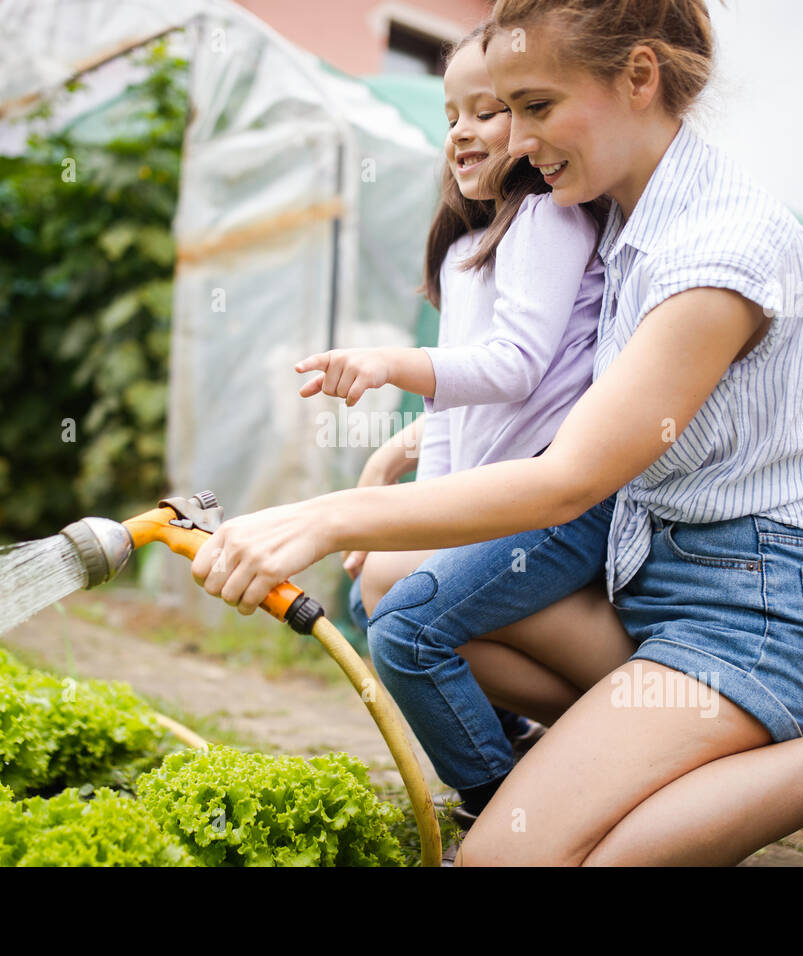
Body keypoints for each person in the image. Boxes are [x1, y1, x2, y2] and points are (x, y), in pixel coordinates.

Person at [189, 0, 803, 866]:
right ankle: (650, 770)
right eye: (504, 110)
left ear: (640, 76)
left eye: (537, 108)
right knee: (398, 596)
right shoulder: (616, 211)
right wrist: (407, 447)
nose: (514, 139)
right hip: (642, 592)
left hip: (754, 620)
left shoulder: (719, 245)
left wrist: (322, 518)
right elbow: (555, 393)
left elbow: (571, 477)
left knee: (515, 861)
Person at [293, 24, 633, 823]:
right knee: (372, 593)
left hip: (560, 505)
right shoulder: (463, 251)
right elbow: (450, 415)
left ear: (532, 126)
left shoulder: (547, 220)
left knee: (402, 626)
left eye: (490, 112)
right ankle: (514, 742)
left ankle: (499, 808)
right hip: (499, 503)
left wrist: (389, 362)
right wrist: (411, 516)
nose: (463, 133)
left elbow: (513, 367)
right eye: (453, 116)